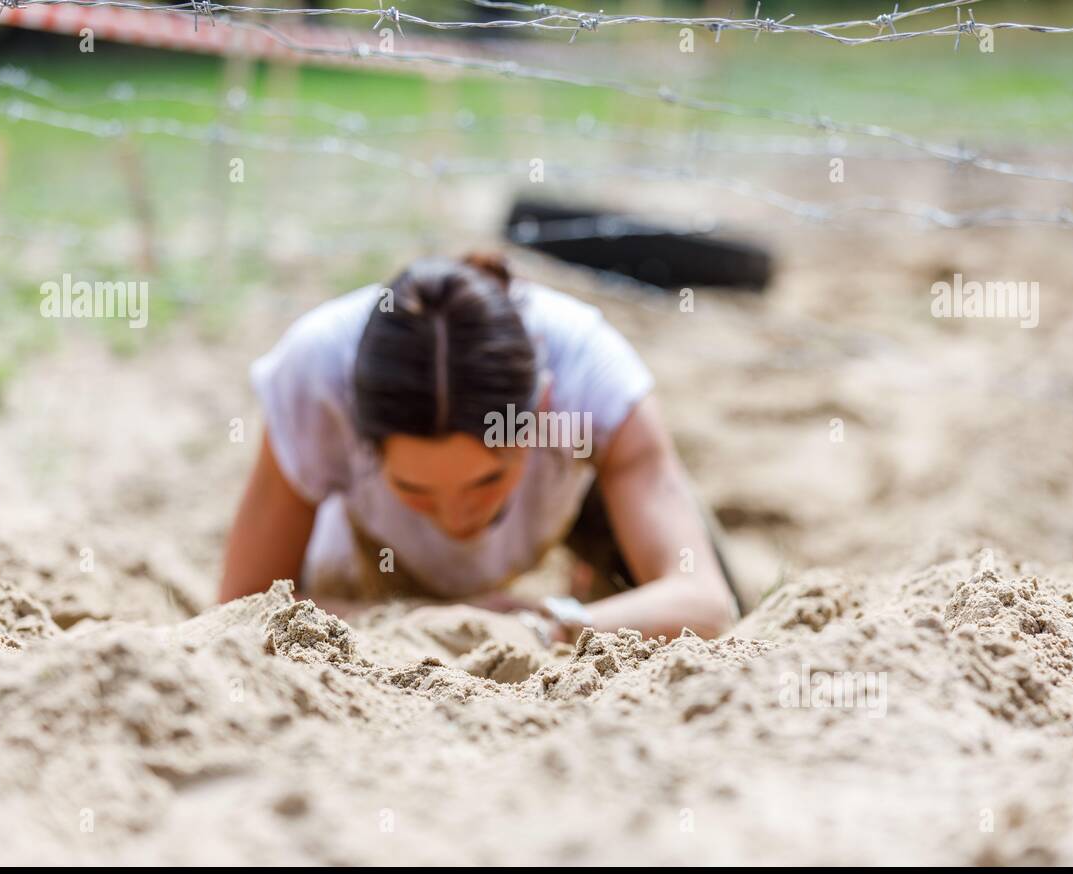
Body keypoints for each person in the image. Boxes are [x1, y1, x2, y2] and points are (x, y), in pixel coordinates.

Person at [219, 252, 744, 642]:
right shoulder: (314, 375)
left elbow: (704, 601)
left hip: (562, 511)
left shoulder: (588, 371)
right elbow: (241, 606)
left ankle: (586, 574)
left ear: (540, 407)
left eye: (487, 479)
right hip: (379, 563)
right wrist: (421, 623)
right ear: (357, 432)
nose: (456, 516)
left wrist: (540, 626)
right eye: (416, 488)